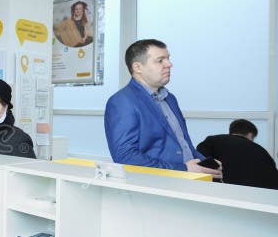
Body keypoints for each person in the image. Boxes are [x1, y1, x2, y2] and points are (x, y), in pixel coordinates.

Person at [104, 39, 222, 178]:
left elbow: (182, 144)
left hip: (188, 181)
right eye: (160, 60)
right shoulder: (122, 101)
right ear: (137, 67)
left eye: (168, 59)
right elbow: (126, 157)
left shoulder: (169, 98)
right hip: (157, 186)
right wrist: (182, 169)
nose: (169, 64)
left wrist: (204, 163)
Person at [196, 119, 278, 189]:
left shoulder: (213, 140)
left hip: (217, 191)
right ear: (250, 135)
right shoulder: (260, 151)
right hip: (253, 197)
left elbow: (199, 159)